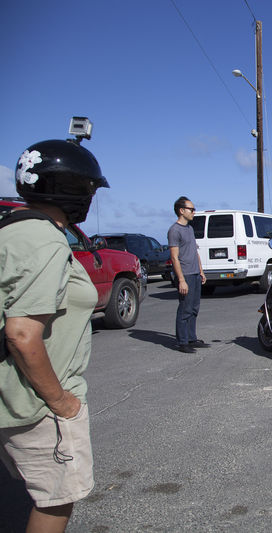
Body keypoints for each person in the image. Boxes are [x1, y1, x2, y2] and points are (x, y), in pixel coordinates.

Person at [1, 139, 109, 532]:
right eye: (89, 190)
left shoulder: (13, 229)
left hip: (13, 394)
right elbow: (23, 334)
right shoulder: (44, 239)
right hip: (34, 401)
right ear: (70, 190)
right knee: (58, 498)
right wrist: (61, 401)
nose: (91, 198)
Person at [168, 197, 207, 354]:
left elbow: (194, 252)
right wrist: (182, 280)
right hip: (185, 275)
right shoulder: (174, 230)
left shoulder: (189, 229)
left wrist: (201, 271)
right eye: (191, 209)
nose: (194, 212)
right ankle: (182, 342)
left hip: (195, 273)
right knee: (185, 308)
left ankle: (192, 338)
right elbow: (174, 257)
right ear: (181, 211)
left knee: (194, 308)